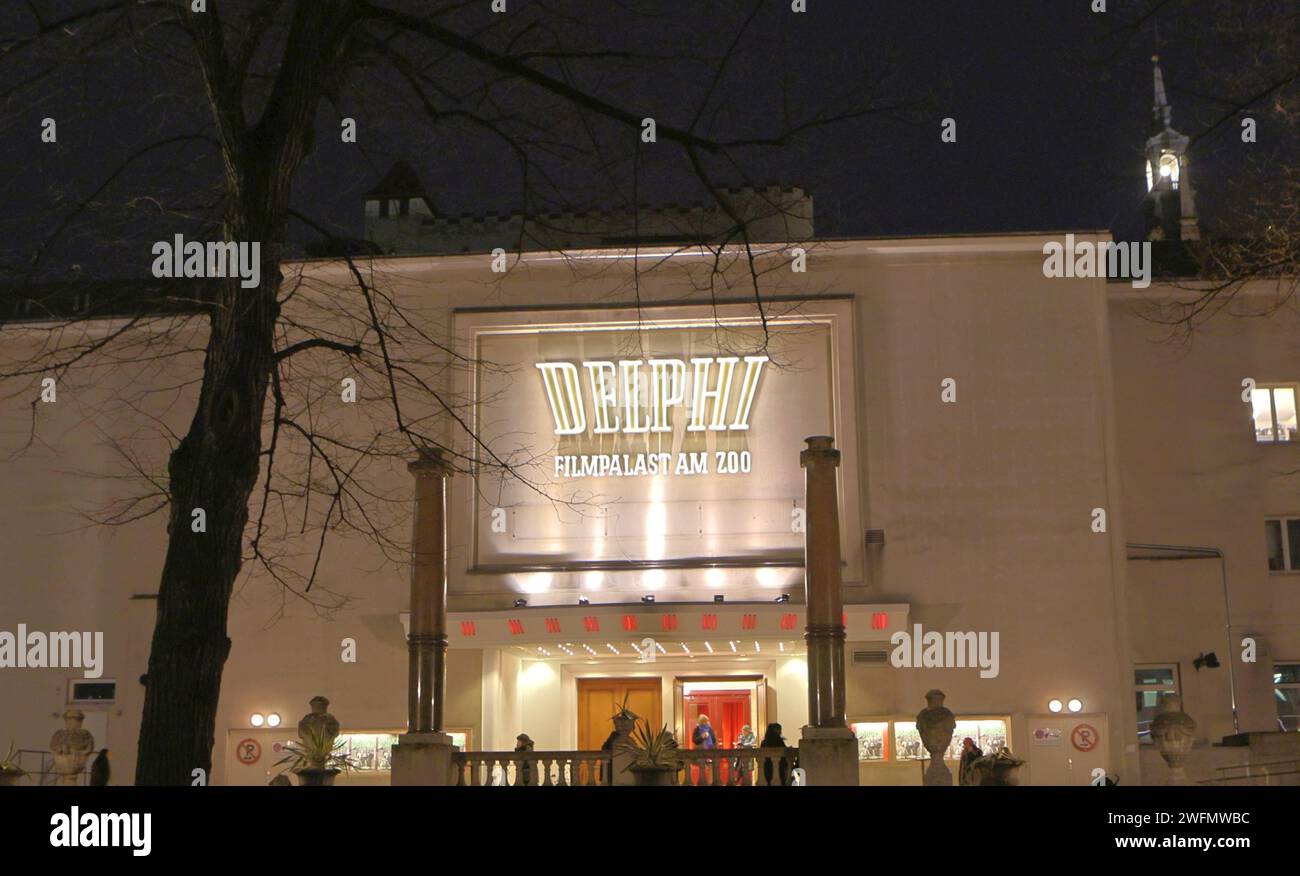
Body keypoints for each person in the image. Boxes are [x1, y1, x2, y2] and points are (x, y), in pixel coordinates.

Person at [692, 714, 717, 784]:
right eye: (703, 721)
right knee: (701, 768)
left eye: (706, 721)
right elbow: (694, 740)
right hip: (700, 752)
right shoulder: (697, 729)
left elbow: (714, 740)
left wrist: (710, 738)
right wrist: (702, 737)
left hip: (710, 751)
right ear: (700, 722)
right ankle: (702, 783)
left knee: (711, 768)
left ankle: (710, 782)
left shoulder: (710, 729)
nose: (705, 723)